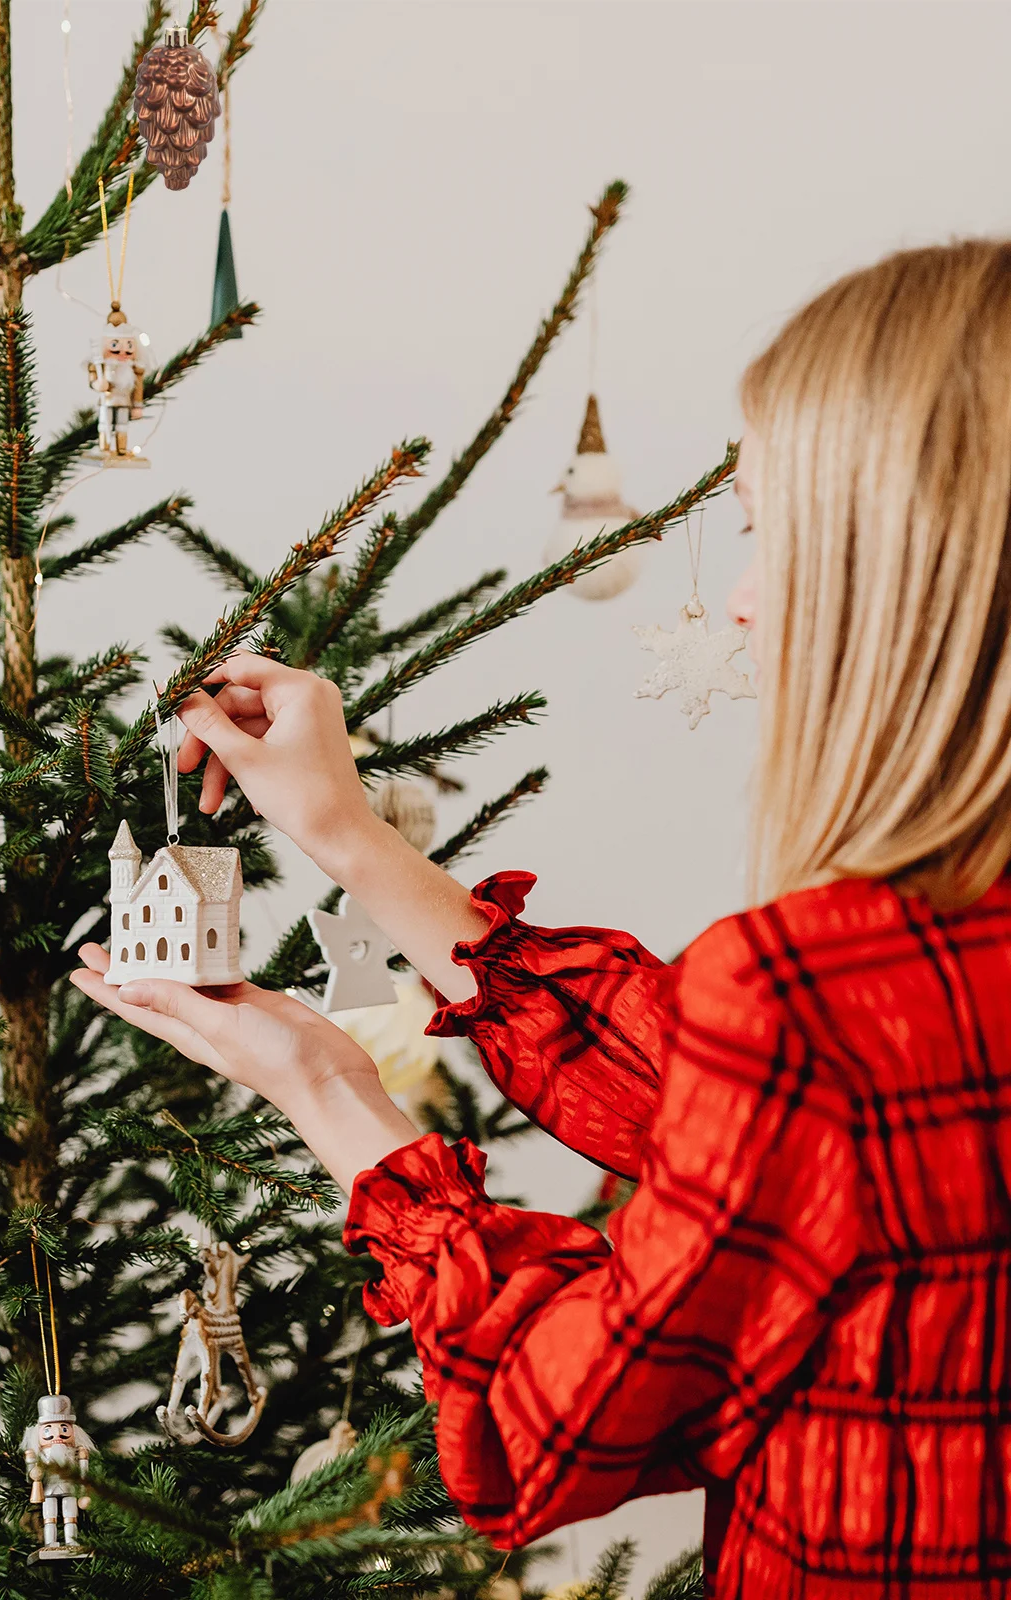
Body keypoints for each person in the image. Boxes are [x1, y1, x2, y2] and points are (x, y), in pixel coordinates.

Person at [70, 240, 1011, 1599]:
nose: (743, 603)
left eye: (762, 532)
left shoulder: (814, 994)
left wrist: (336, 1095)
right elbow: (723, 1099)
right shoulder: (868, 998)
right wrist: (349, 838)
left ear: (908, 566)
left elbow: (544, 1431)